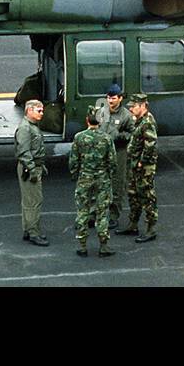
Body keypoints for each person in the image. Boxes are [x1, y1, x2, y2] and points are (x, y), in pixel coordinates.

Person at [69, 110, 116, 257]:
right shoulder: (107, 138)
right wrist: (108, 175)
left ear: (87, 121)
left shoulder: (79, 137)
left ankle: (82, 245)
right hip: (102, 179)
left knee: (83, 211)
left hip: (85, 177)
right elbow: (113, 162)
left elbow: (73, 160)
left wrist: (75, 174)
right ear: (100, 121)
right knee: (102, 212)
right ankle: (103, 245)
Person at [91, 83, 134, 228]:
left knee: (117, 184)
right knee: (97, 182)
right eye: (108, 97)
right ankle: (94, 213)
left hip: (118, 152)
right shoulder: (101, 112)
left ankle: (114, 215)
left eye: (113, 98)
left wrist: (120, 136)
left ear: (120, 98)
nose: (110, 100)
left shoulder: (126, 115)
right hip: (101, 152)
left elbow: (132, 134)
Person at [120, 92, 159, 243]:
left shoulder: (147, 122)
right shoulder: (139, 120)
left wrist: (142, 162)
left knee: (147, 196)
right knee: (133, 194)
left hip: (144, 167)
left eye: (134, 106)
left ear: (143, 106)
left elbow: (151, 145)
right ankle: (133, 224)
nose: (131, 109)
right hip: (135, 165)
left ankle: (151, 229)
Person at [15, 99, 48, 246]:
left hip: (33, 165)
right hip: (30, 167)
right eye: (39, 110)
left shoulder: (31, 126)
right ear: (29, 110)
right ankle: (34, 232)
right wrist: (33, 170)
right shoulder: (25, 128)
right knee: (34, 201)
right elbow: (24, 151)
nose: (42, 113)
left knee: (29, 201)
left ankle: (28, 229)